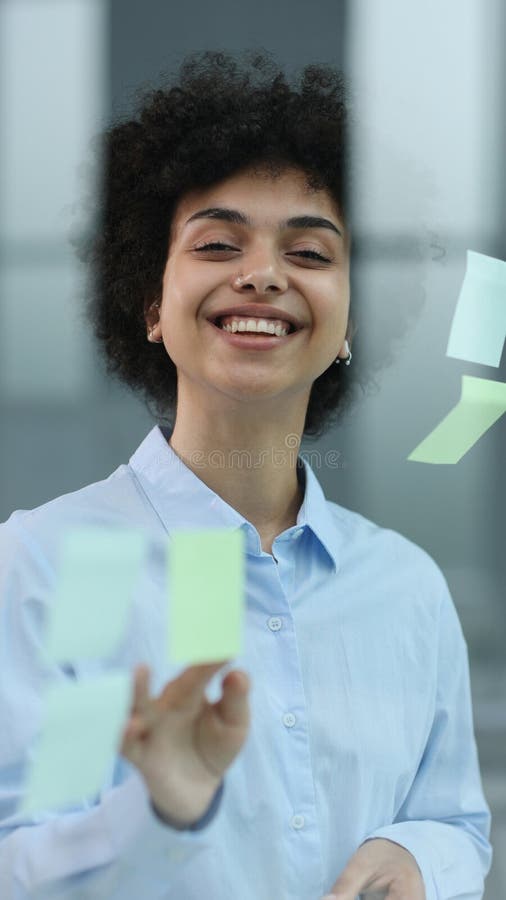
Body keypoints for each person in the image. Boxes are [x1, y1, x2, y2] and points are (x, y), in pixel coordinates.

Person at [0, 49, 492, 900]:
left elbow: (456, 823)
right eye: (218, 243)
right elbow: (22, 864)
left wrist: (420, 860)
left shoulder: (405, 586)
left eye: (310, 253)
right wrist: (159, 812)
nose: (262, 274)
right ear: (151, 304)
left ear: (349, 321)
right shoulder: (64, 568)